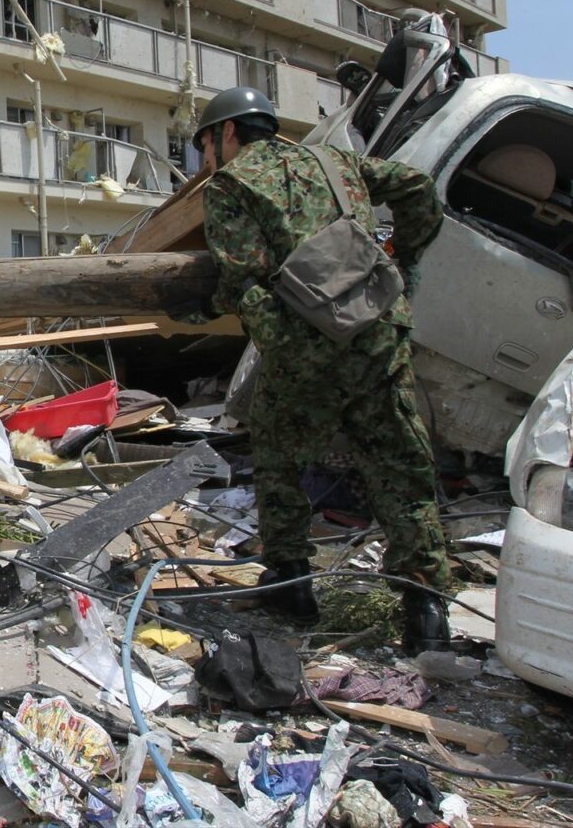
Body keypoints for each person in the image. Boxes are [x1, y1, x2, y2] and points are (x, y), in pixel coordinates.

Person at [179, 87, 452, 655]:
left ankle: (292, 585)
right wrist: (404, 257)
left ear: (226, 132)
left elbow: (244, 278)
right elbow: (418, 188)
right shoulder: (334, 161)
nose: (206, 159)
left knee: (279, 458)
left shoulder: (231, 184)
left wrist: (206, 312)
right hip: (376, 336)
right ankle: (426, 611)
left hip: (305, 350)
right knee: (401, 469)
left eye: (205, 145)